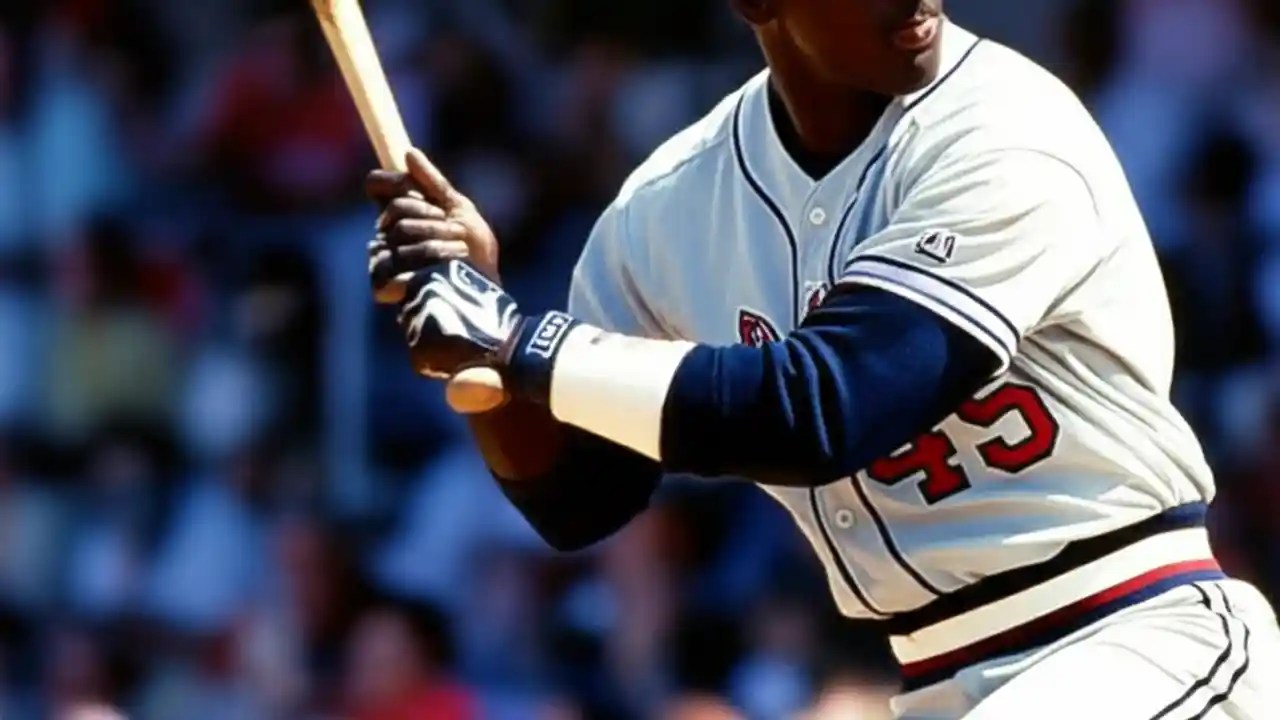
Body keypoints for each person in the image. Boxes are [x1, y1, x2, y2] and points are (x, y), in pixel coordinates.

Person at [363, 2, 1280, 718]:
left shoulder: (1004, 128)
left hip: (1135, 631)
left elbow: (821, 410)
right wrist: (471, 349)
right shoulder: (669, 209)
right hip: (935, 678)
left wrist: (520, 342)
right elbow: (579, 497)